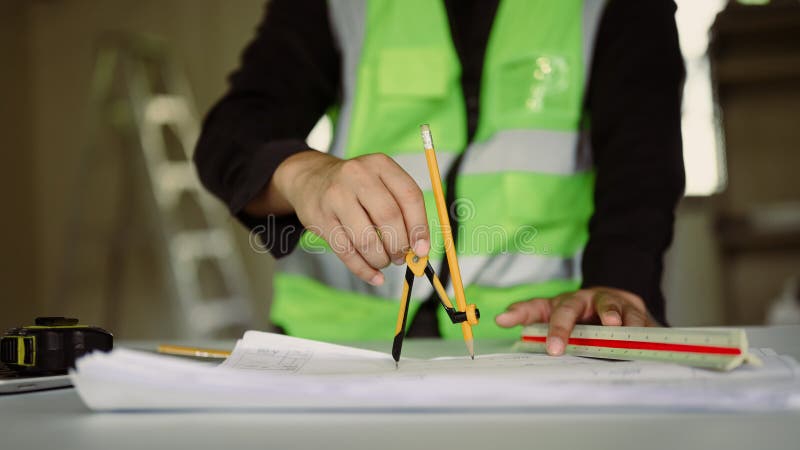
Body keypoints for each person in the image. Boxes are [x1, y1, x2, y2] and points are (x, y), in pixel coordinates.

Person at [194, 0, 685, 355]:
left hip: (531, 345)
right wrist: (304, 175)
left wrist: (622, 282)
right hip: (334, 347)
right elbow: (231, 132)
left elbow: (642, 162)